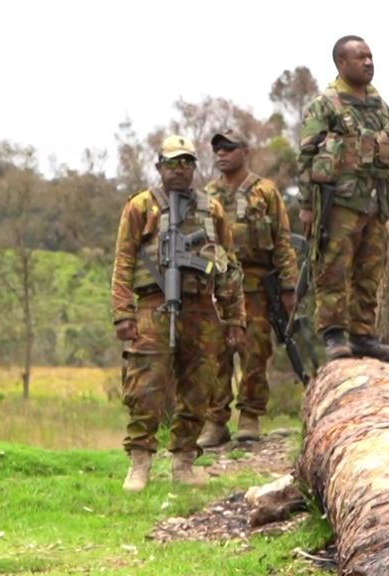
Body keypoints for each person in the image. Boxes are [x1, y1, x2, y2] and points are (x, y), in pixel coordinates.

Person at [111, 134, 246, 492]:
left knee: (199, 386)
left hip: (201, 310)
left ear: (194, 168)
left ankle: (184, 461)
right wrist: (122, 313)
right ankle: (140, 462)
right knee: (146, 387)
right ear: (159, 167)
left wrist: (235, 318)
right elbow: (123, 262)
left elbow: (229, 267)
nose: (179, 169)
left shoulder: (211, 209)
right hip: (153, 307)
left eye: (186, 163)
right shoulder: (141, 206)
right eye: (172, 163)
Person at [297, 35, 389, 361]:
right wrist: (306, 207)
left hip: (377, 204)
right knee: (333, 269)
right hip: (340, 204)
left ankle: (363, 335)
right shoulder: (325, 105)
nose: (368, 62)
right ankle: (334, 336)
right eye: (360, 57)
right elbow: (305, 157)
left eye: (371, 56)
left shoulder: (380, 107)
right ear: (341, 63)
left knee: (369, 271)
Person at [197, 129, 299, 447]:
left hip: (255, 286)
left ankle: (250, 416)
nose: (221, 154)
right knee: (216, 353)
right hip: (219, 286)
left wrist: (289, 285)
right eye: (217, 149)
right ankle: (215, 421)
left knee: (254, 350)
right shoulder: (207, 195)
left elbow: (282, 241)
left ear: (245, 151)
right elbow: (199, 242)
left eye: (229, 148)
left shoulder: (265, 192)